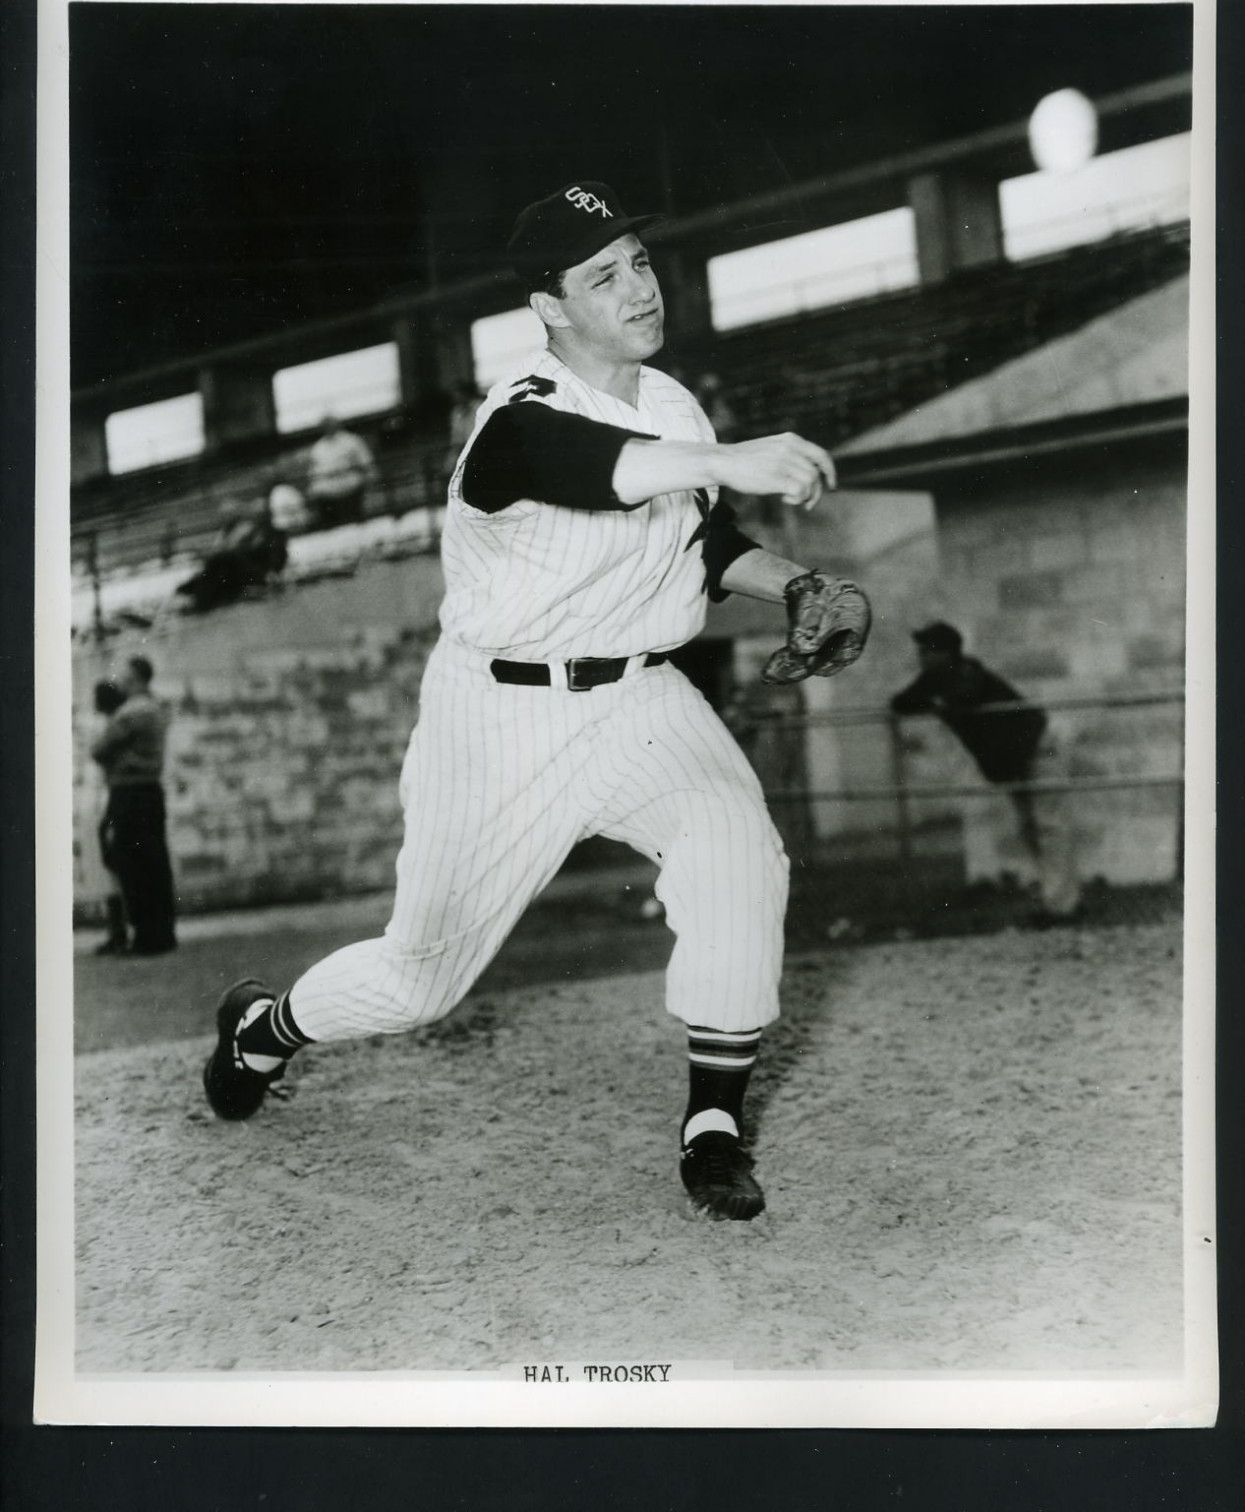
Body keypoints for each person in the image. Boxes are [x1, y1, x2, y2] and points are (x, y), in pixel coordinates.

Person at [202, 177, 850, 1222]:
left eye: (639, 259)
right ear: (550, 308)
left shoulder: (672, 401)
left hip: (640, 697)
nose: (638, 285)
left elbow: (691, 535)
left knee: (739, 858)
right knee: (421, 981)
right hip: (501, 718)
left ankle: (713, 1125)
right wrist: (736, 455)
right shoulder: (518, 415)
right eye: (604, 275)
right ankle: (265, 1028)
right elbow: (585, 466)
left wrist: (799, 585)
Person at [890, 621, 1080, 919]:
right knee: (1030, 828)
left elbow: (964, 696)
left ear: (947, 654)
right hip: (1016, 759)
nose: (922, 657)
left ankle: (1062, 906)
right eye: (922, 651)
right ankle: (1054, 899)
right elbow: (900, 703)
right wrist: (934, 700)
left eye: (928, 651)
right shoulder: (933, 680)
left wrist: (936, 702)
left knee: (1049, 826)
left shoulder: (970, 672)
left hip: (1040, 747)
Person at [91, 657, 178, 955]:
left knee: (132, 865)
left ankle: (144, 937)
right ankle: (162, 934)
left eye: (127, 678)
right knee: (155, 863)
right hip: (149, 791)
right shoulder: (155, 707)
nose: (122, 684)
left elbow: (99, 749)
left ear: (137, 679)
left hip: (129, 793)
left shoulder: (132, 711)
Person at [176, 497, 289, 612]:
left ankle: (198, 599)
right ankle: (194, 592)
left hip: (259, 573)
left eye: (259, 514)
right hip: (243, 569)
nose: (256, 517)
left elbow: (275, 560)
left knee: (222, 561)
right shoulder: (244, 531)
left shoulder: (273, 534)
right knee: (219, 567)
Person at [85, 678, 130, 955]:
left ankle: (119, 930)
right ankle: (118, 930)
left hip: (109, 797)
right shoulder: (115, 725)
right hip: (107, 797)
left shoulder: (109, 727)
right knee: (112, 868)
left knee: (113, 867)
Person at [305, 415, 379, 528]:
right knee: (331, 523)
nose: (327, 428)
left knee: (354, 521)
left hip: (350, 485)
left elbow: (365, 460)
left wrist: (371, 475)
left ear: (337, 424)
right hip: (328, 490)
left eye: (330, 424)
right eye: (324, 426)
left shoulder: (351, 440)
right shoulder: (318, 447)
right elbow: (313, 472)